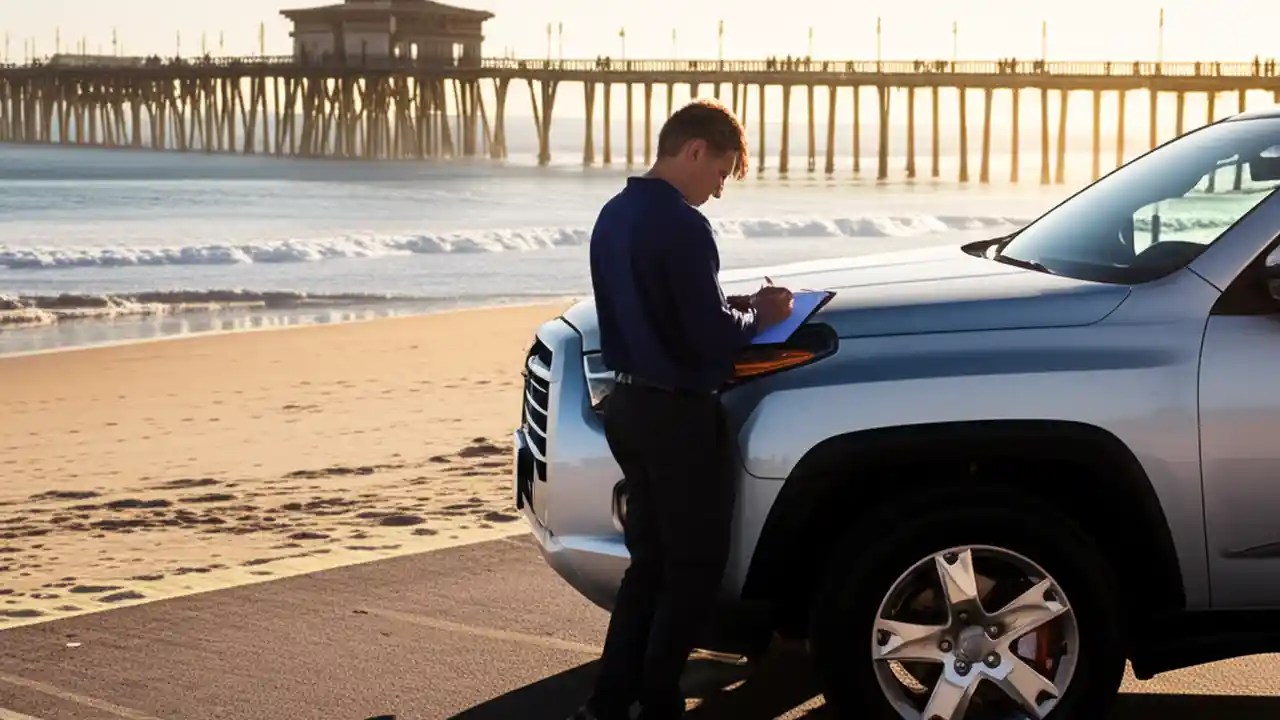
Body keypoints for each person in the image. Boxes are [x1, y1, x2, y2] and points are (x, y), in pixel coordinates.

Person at [569, 99, 794, 720]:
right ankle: (660, 699)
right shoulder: (683, 226)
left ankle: (610, 701)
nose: (719, 190)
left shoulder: (614, 215)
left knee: (649, 566)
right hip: (678, 414)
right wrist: (762, 315)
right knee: (693, 570)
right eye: (721, 172)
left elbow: (659, 310)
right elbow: (708, 336)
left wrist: (734, 306)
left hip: (630, 405)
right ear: (694, 151)